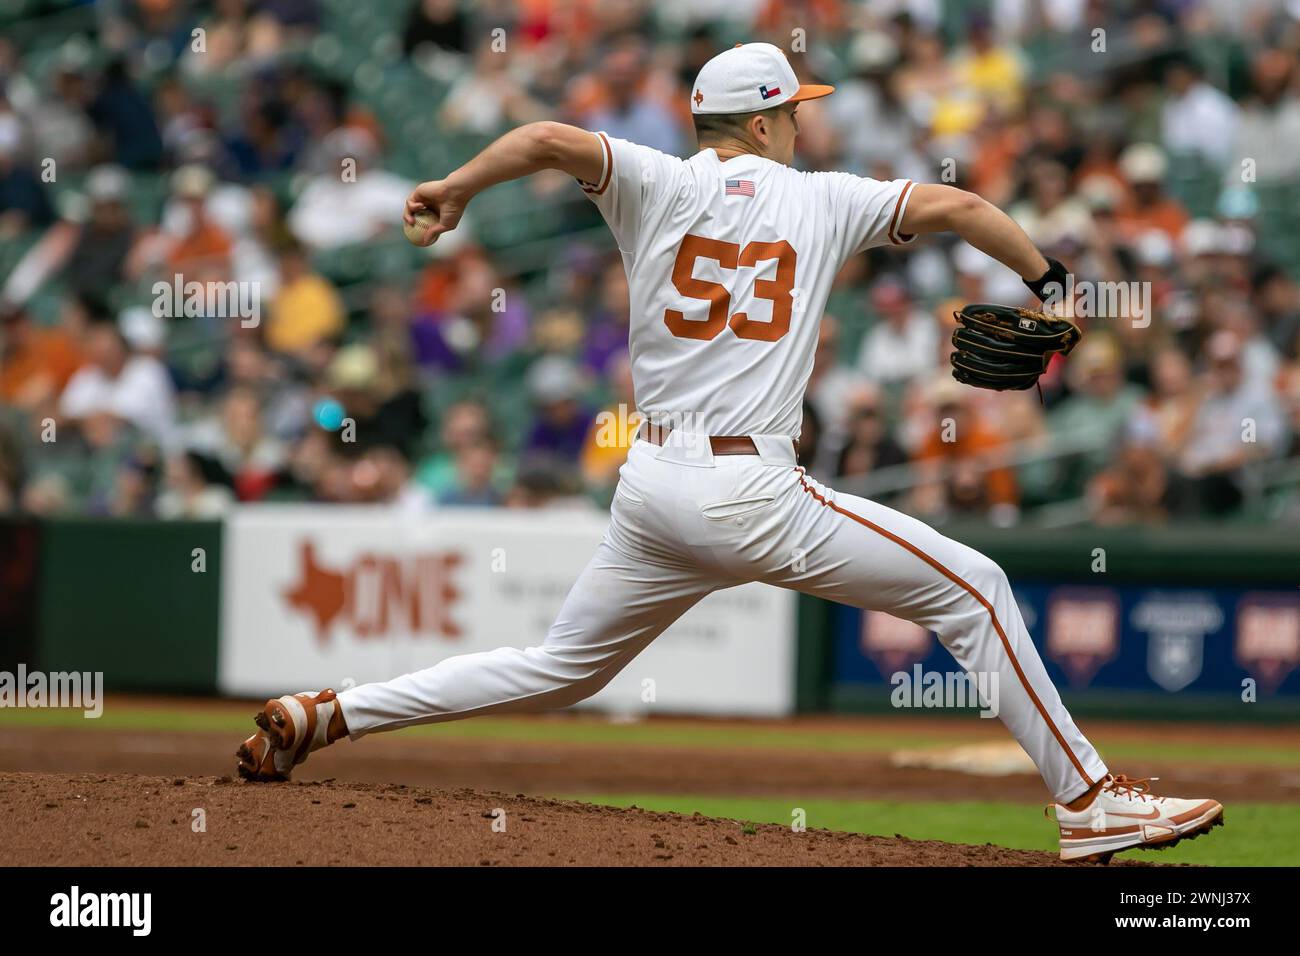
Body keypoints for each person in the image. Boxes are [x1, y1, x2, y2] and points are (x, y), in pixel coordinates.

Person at [237, 42, 1223, 863]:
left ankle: (333, 711)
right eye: (791, 110)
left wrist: (455, 189)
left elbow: (542, 137)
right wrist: (1050, 280)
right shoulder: (824, 197)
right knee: (973, 588)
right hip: (750, 488)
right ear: (759, 124)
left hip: (653, 481)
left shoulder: (656, 180)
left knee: (558, 667)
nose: (800, 122)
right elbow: (962, 210)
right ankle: (1089, 797)